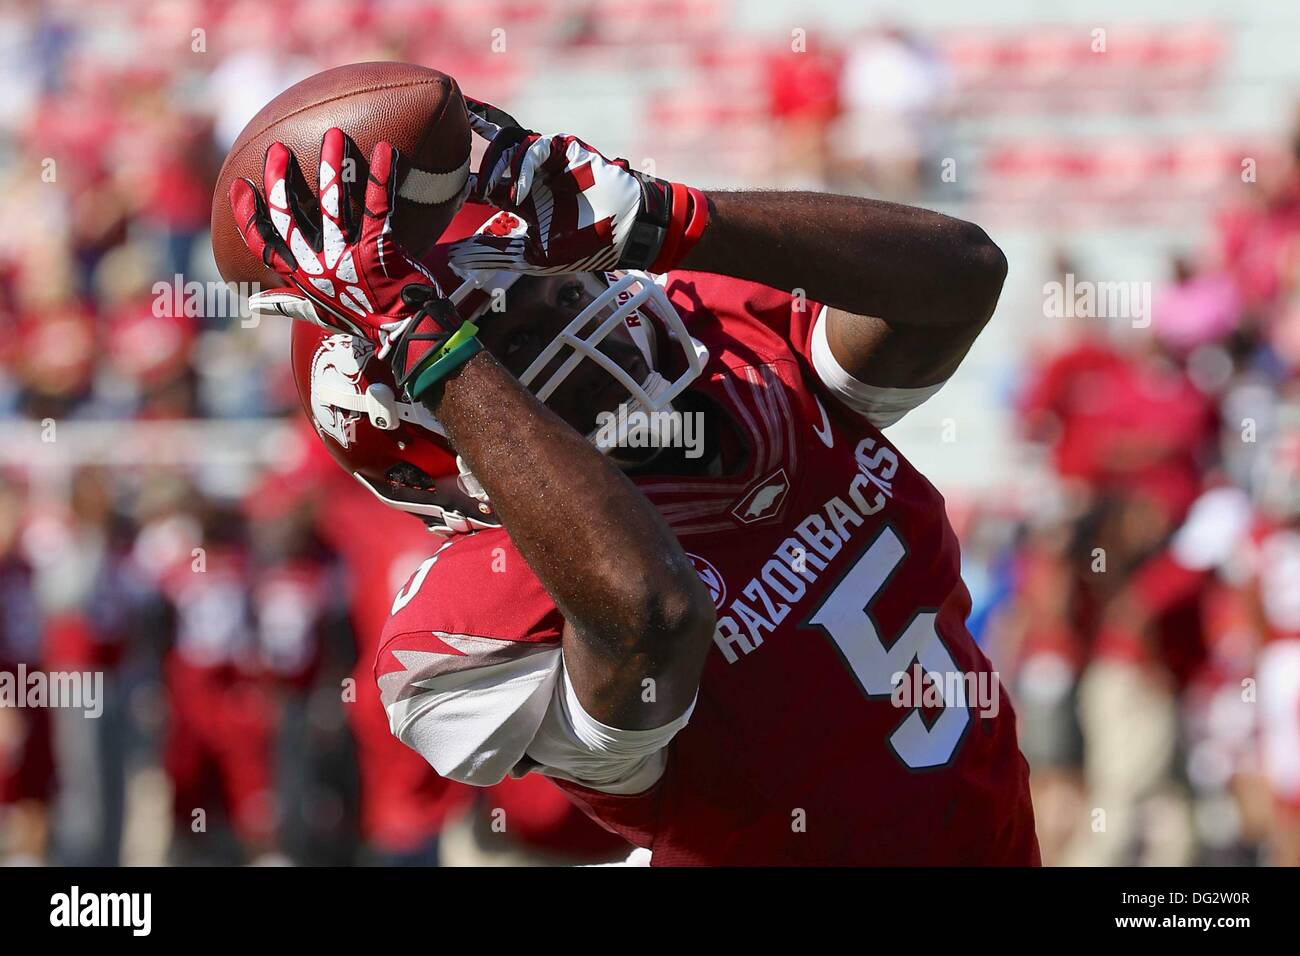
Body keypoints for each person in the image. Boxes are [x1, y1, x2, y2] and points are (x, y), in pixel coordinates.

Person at [225, 100, 1038, 864]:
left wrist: (669, 218)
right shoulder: (473, 612)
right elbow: (655, 611)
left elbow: (965, 278)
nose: (590, 320)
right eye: (517, 333)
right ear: (423, 427)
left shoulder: (732, 349)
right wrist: (425, 342)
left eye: (563, 285)